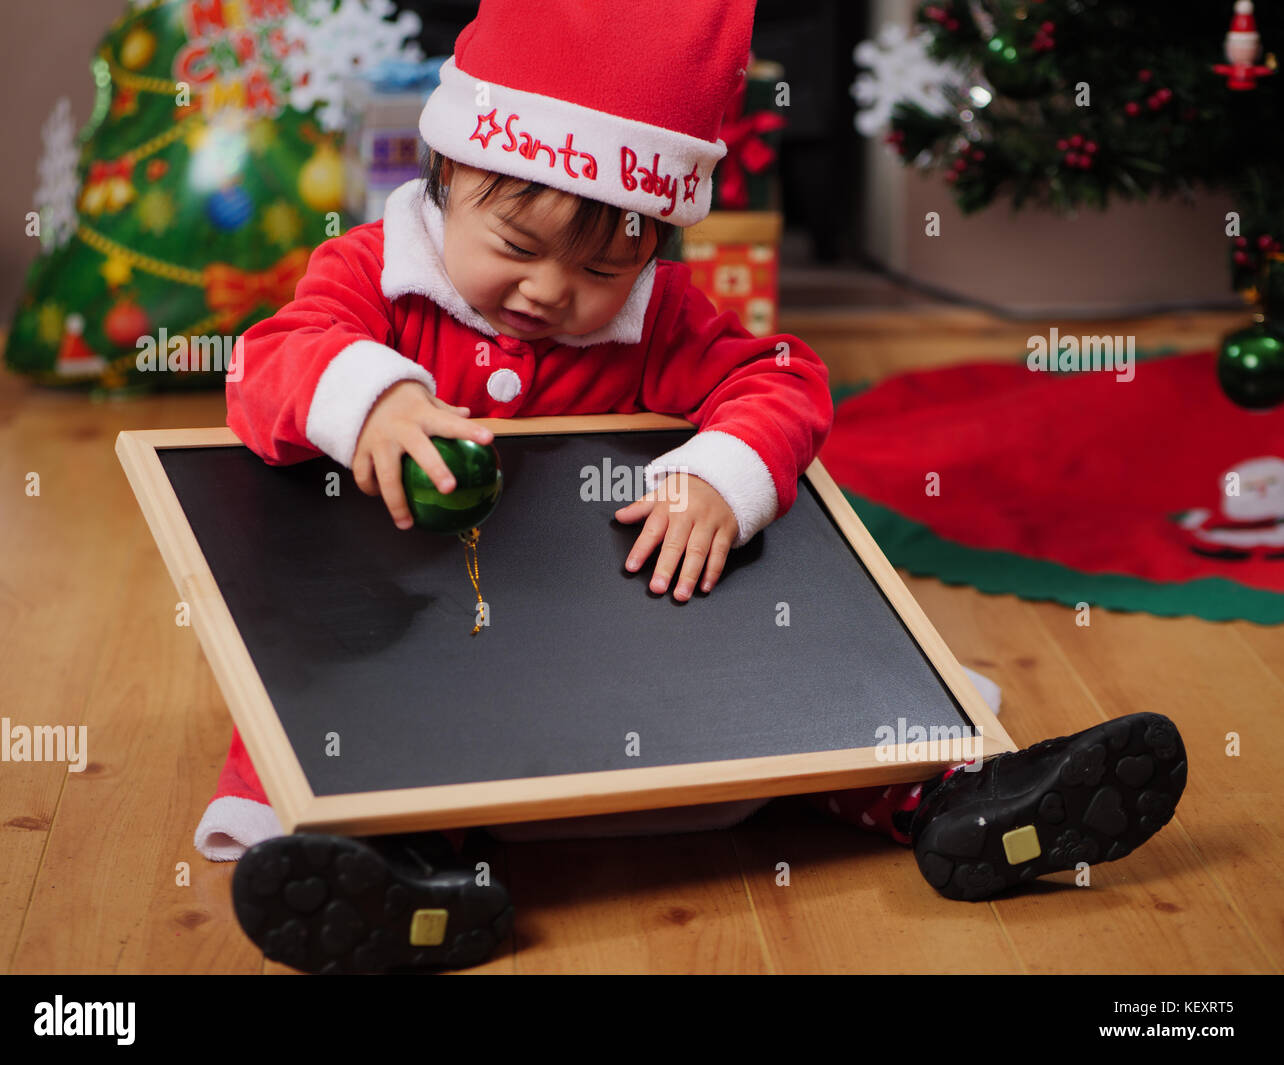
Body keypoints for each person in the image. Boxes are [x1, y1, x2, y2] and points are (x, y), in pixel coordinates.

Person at [205, 0, 1187, 974]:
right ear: (449, 174)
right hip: (428, 630)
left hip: (622, 651)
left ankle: (966, 803)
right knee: (378, 740)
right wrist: (364, 402)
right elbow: (267, 366)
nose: (551, 292)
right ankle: (402, 876)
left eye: (602, 265)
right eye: (514, 247)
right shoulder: (371, 277)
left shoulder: (659, 316)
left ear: (651, 240)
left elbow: (780, 378)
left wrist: (722, 474)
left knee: (830, 691)